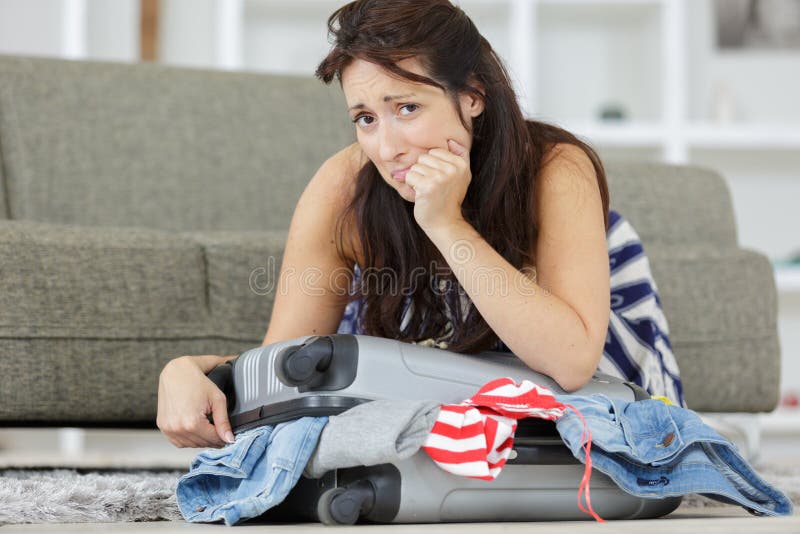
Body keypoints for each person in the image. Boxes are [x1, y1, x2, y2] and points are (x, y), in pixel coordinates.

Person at [157, 0, 683, 450]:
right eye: (365, 118)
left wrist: (446, 225)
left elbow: (571, 364)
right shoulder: (343, 189)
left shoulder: (555, 169)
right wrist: (195, 369)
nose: (387, 148)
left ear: (472, 95)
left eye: (406, 107)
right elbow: (286, 366)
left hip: (589, 374)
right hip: (445, 391)